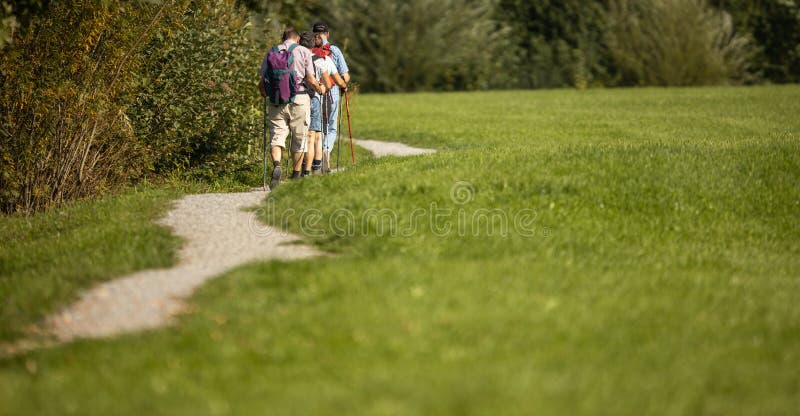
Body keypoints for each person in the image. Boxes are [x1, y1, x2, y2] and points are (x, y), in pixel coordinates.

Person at [259, 28, 326, 189]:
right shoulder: (303, 51)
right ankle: (295, 176)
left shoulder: (272, 51)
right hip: (299, 99)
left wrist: (265, 94)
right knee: (299, 140)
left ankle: (277, 164)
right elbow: (310, 78)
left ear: (283, 38)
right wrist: (320, 89)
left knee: (277, 137)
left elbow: (261, 82)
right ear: (297, 39)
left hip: (276, 100)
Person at [312, 22, 350, 170]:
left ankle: (316, 159)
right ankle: (326, 150)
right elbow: (345, 76)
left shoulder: (310, 48)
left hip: (315, 94)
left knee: (318, 127)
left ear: (314, 33)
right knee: (331, 128)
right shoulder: (334, 49)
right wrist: (343, 84)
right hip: (332, 94)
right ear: (327, 34)